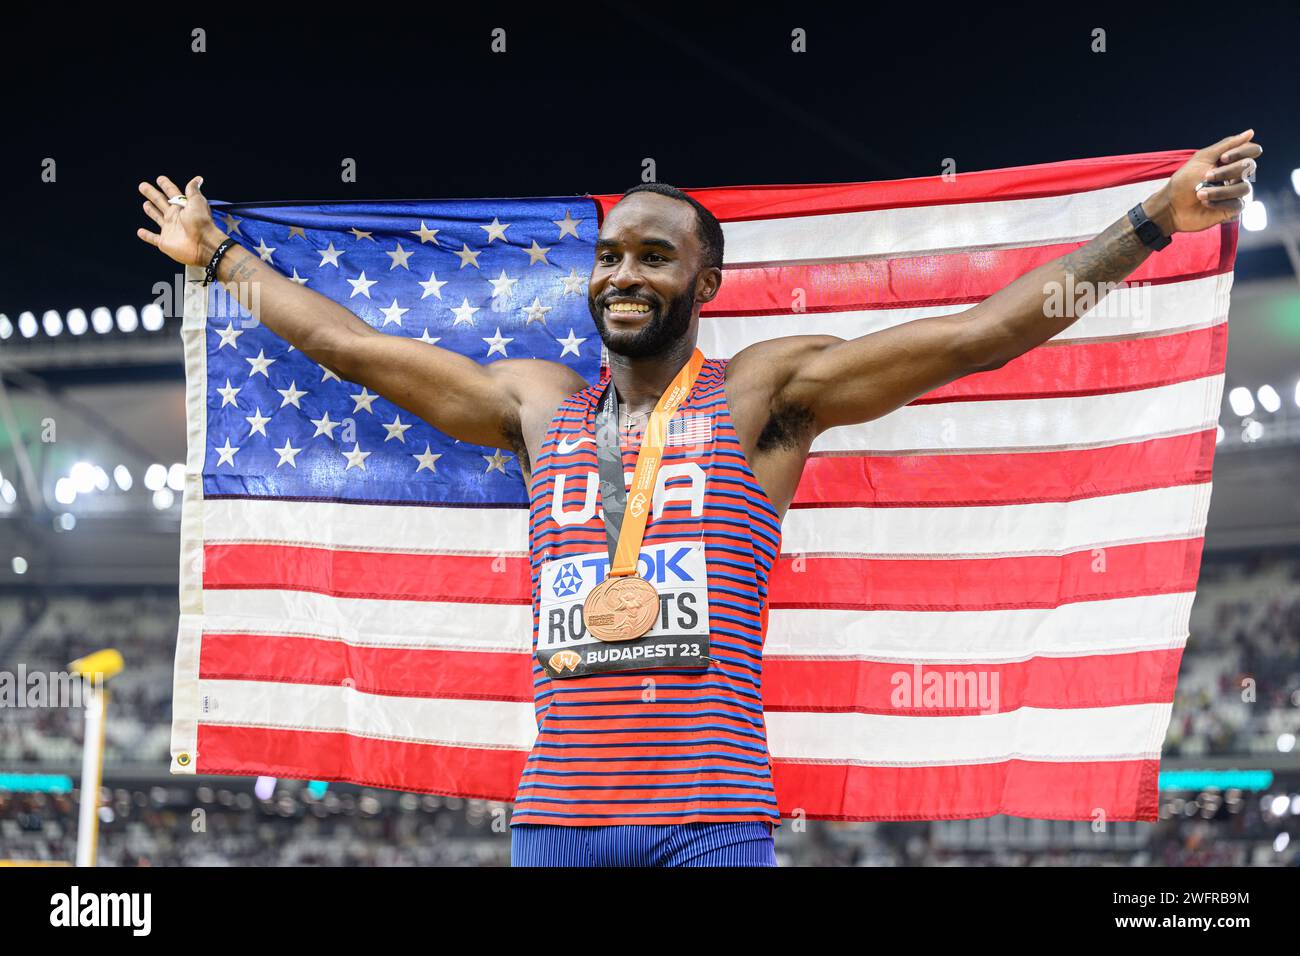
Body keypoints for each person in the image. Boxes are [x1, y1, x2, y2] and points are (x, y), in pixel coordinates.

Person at [136, 129, 1261, 866]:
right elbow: (353, 346)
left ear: (704, 281)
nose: (623, 273)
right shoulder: (538, 407)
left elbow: (981, 335)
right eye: (611, 254)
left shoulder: (767, 395)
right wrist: (218, 255)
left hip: (708, 821)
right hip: (556, 823)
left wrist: (1153, 222)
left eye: (655, 257)